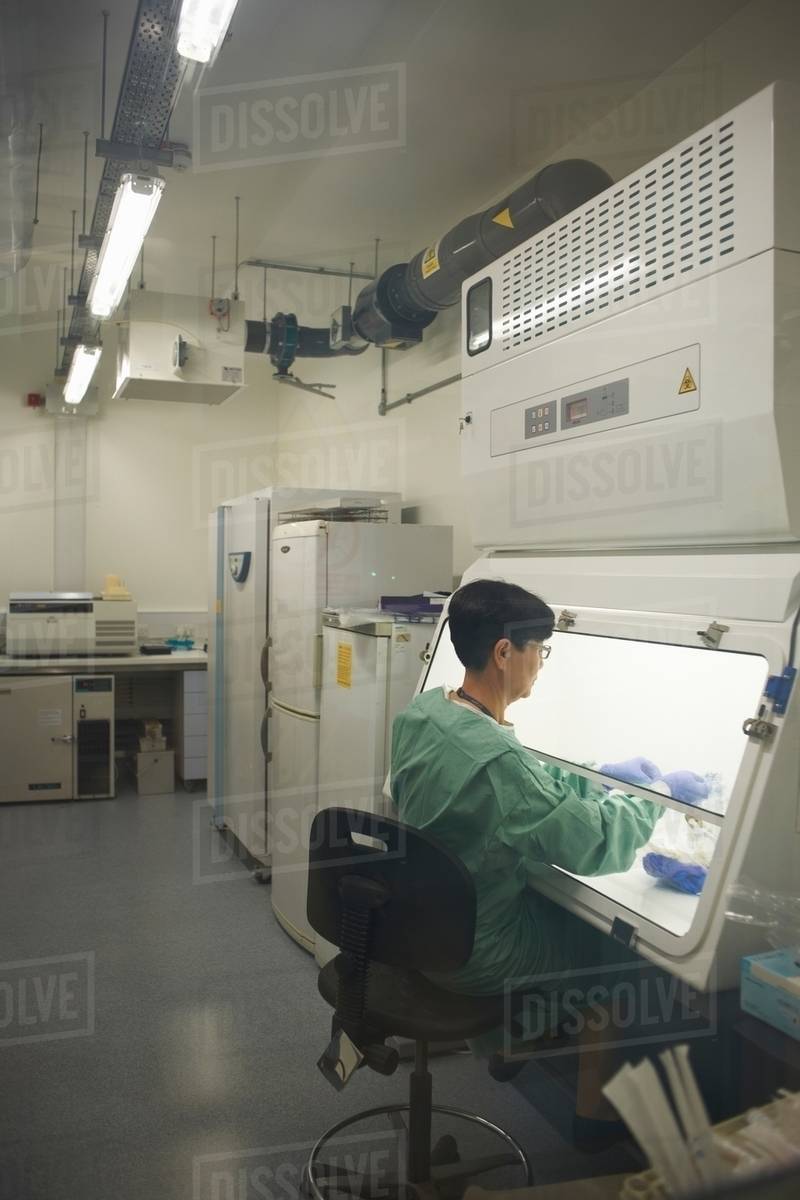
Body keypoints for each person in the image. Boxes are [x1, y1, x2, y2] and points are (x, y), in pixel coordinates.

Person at [389, 579, 710, 1144]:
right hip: (475, 950)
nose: (542, 662)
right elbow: (595, 846)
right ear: (505, 653)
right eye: (541, 648)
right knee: (613, 956)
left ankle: (515, 1041)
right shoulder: (497, 761)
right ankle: (591, 1118)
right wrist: (655, 794)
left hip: (416, 929)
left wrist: (599, 772)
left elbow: (522, 781)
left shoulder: (424, 714)